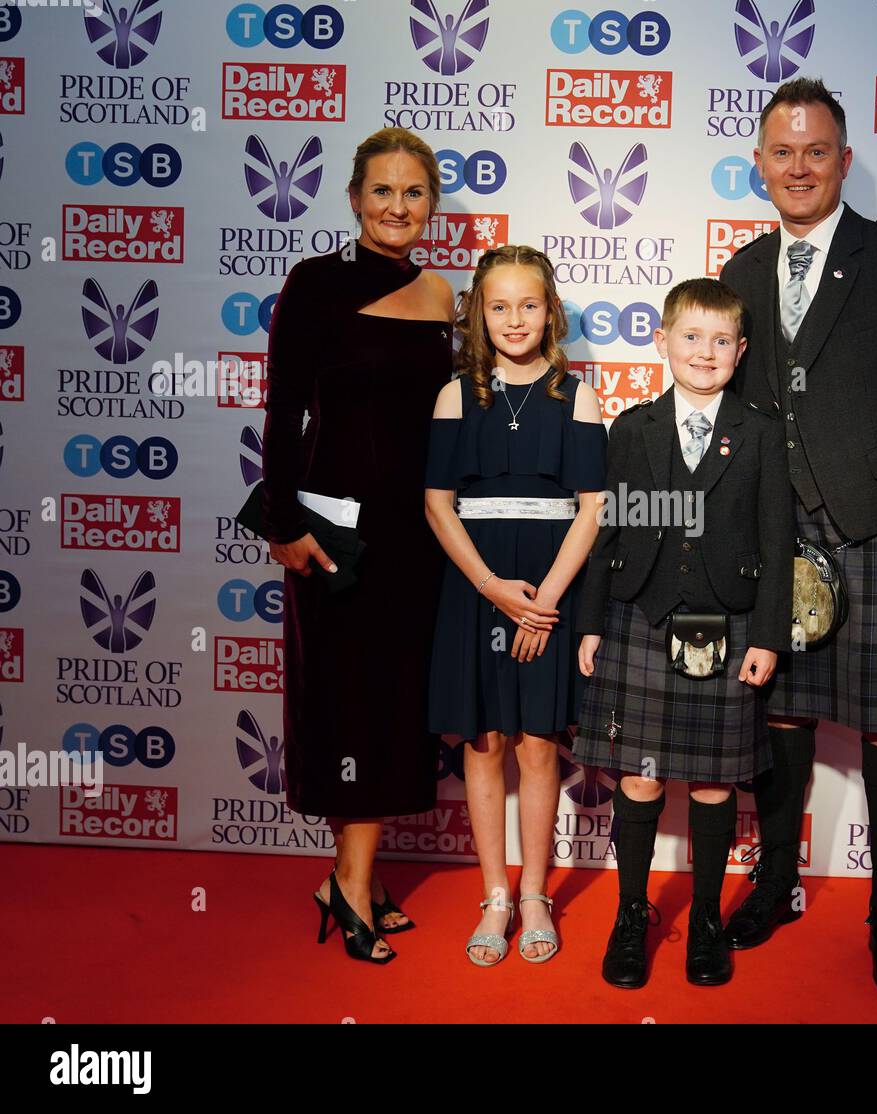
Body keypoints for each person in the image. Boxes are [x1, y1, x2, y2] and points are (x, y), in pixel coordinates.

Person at [718, 78, 877, 995]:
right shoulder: (741, 273)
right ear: (759, 166)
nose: (799, 167)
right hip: (775, 535)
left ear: (845, 160)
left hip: (875, 533)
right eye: (782, 152)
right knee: (776, 716)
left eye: (816, 151)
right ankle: (776, 883)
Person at [261, 127, 455, 964]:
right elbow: (280, 412)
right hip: (334, 531)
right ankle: (349, 884)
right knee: (346, 698)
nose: (398, 207)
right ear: (352, 198)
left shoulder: (444, 295)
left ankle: (357, 878)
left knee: (393, 702)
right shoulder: (314, 285)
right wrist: (284, 525)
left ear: (432, 205)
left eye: (414, 193)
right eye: (383, 191)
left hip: (416, 538)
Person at [574, 278, 794, 989]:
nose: (706, 352)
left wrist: (767, 635)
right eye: (691, 337)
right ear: (662, 341)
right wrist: (590, 622)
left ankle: (703, 919)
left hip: (726, 626)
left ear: (741, 350)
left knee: (713, 780)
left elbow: (776, 535)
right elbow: (608, 529)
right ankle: (631, 915)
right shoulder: (631, 429)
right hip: (639, 617)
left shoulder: (760, 432)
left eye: (721, 341)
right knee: (638, 778)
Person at [425, 246, 607, 966]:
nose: (514, 319)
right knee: (484, 743)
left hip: (548, 593)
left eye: (529, 304)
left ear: (551, 311)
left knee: (536, 744)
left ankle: (536, 894)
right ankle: (494, 896)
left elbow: (592, 508)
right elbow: (437, 505)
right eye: (498, 306)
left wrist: (547, 602)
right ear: (477, 313)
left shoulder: (577, 396)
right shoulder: (453, 396)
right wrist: (491, 589)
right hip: (478, 589)